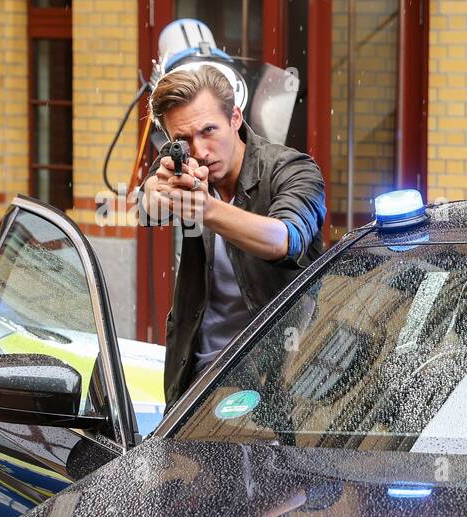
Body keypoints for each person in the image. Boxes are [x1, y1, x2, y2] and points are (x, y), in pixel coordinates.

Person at [140, 65, 327, 406]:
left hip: (285, 376)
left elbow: (284, 239)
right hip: (198, 379)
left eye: (209, 130)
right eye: (182, 139)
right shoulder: (180, 161)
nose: (199, 150)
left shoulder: (293, 170)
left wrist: (206, 209)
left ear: (235, 118)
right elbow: (149, 205)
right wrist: (160, 188)